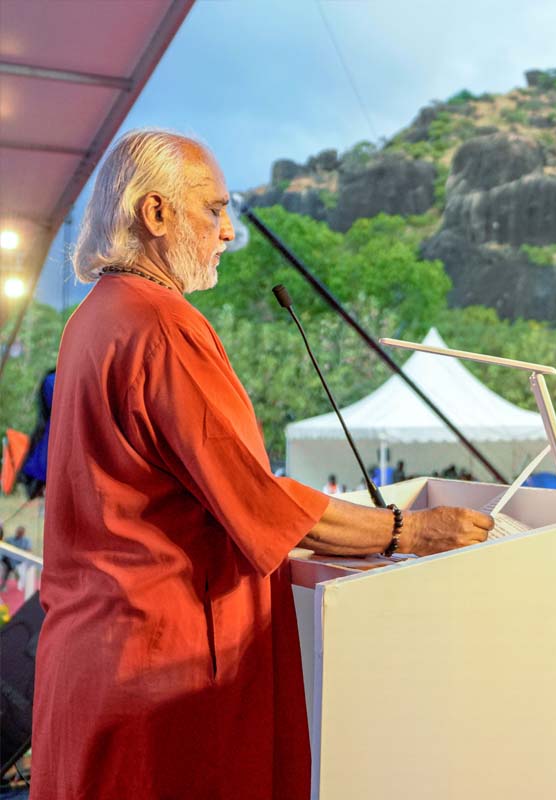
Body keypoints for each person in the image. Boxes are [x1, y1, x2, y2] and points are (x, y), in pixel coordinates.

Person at [32, 130, 494, 800]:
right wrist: (409, 531)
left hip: (94, 664)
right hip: (165, 670)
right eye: (214, 210)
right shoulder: (162, 324)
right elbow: (256, 502)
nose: (227, 233)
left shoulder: (90, 320)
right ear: (156, 213)